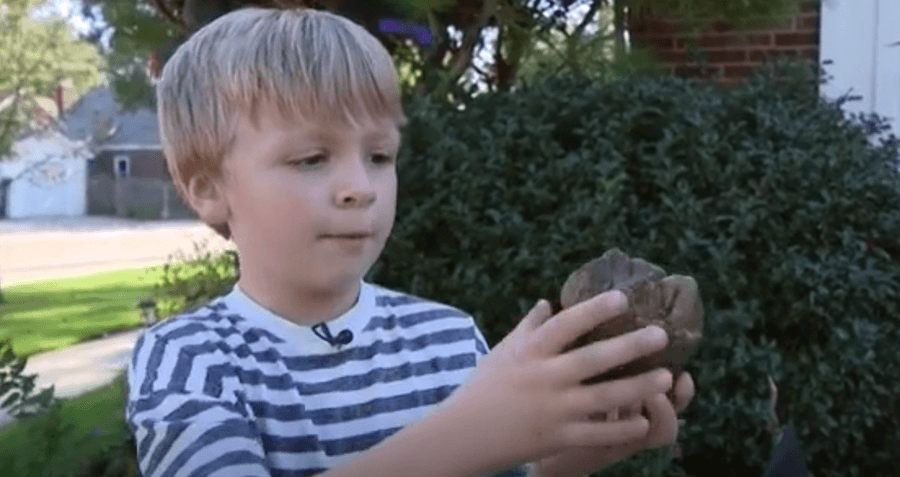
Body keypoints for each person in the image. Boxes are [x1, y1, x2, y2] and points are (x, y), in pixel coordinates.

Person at [126, 6, 695, 477]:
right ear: (208, 190)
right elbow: (461, 447)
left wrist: (570, 449)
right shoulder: (190, 361)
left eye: (379, 156)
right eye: (310, 158)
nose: (359, 188)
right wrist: (468, 433)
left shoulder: (446, 337)